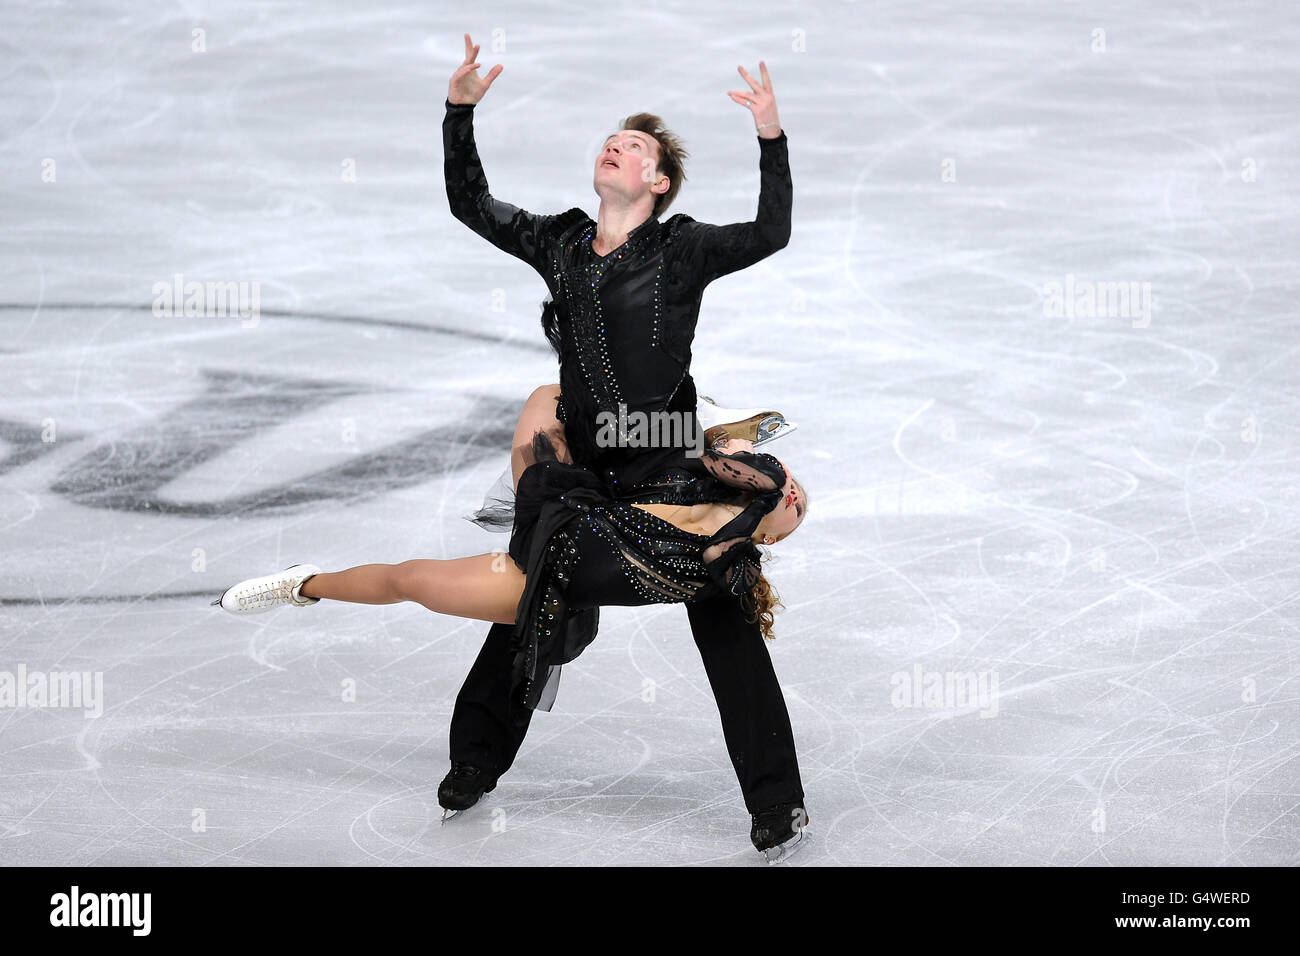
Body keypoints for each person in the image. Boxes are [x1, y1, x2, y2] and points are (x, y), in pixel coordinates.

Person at [437, 32, 809, 857]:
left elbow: (773, 231)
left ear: (657, 181)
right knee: (533, 590)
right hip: (584, 472)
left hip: (671, 465)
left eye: (634, 145)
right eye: (612, 139)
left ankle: (777, 800)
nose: (617, 145)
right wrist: (459, 113)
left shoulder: (684, 249)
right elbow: (472, 205)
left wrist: (770, 136)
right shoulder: (562, 242)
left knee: (722, 604)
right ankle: (474, 762)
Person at [213, 438, 808, 857]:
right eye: (790, 492)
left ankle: (776, 806)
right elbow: (714, 450)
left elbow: (739, 518)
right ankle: (303, 584)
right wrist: (752, 468)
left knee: (740, 663)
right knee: (414, 582)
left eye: (788, 512)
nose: (790, 502)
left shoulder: (723, 565)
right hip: (563, 539)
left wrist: (756, 505)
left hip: (592, 565)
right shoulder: (681, 462)